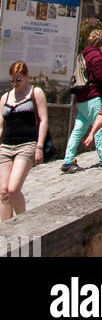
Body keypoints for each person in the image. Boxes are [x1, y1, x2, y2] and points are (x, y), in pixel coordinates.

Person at [0, 62, 48, 219]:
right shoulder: (5, 97)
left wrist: (39, 147)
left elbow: (43, 120)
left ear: (26, 77)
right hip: (6, 146)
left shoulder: (35, 93)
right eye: (12, 81)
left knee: (13, 189)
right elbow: (1, 125)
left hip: (26, 145)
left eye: (18, 80)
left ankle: (24, 221)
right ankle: (6, 233)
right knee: (4, 192)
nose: (15, 84)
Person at [61, 27, 102, 173]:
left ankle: (68, 160)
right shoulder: (96, 55)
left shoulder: (82, 54)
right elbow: (99, 75)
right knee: (99, 126)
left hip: (81, 97)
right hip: (92, 96)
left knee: (78, 129)